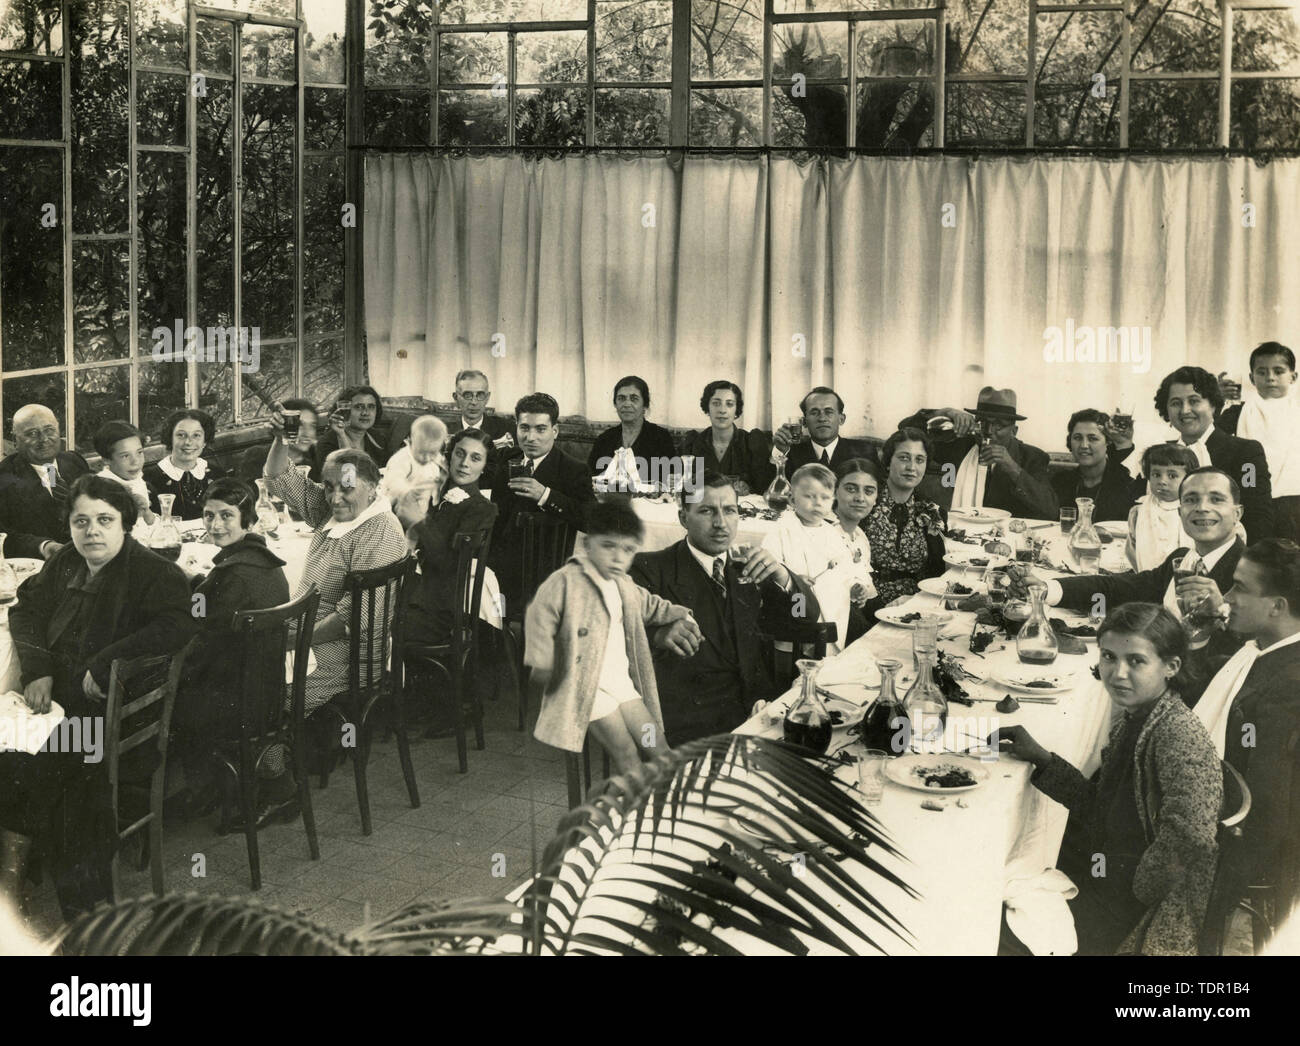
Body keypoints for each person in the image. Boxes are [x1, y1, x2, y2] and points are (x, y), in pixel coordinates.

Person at [0, 475, 193, 917]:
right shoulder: (68, 560)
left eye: (104, 520)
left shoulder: (153, 573)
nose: (92, 531)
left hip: (108, 717)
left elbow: (176, 627)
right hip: (58, 703)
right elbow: (25, 608)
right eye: (80, 521)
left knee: (36, 764)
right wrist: (38, 670)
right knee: (12, 755)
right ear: (68, 526)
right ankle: (22, 880)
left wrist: (105, 660)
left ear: (125, 522)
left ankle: (78, 905)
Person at [992, 603, 1221, 955]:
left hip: (1136, 907)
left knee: (993, 930)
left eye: (1136, 661)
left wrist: (1136, 888)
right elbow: (1103, 806)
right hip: (1104, 872)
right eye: (1110, 657)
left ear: (1171, 666)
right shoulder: (1139, 717)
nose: (1117, 673)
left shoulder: (1178, 733)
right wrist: (1043, 759)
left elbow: (1193, 837)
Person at [1007, 466, 1248, 704]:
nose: (1202, 508)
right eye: (1191, 499)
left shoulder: (1251, 573)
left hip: (1201, 702)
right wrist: (1046, 588)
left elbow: (1253, 655)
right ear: (1180, 510)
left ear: (1237, 513)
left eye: (1216, 499)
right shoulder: (1183, 557)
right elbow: (1117, 588)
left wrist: (1222, 613)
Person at [630, 472, 820, 743]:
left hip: (757, 709)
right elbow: (616, 631)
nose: (721, 524)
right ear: (683, 517)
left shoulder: (750, 565)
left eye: (730, 511)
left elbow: (804, 620)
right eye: (706, 511)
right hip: (689, 721)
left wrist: (784, 577)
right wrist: (657, 636)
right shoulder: (651, 569)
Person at [526, 499, 695, 774]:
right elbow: (540, 615)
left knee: (656, 744)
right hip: (585, 687)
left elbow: (651, 604)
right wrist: (543, 660)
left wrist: (682, 615)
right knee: (626, 752)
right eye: (608, 546)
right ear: (587, 544)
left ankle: (666, 806)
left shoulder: (623, 584)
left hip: (620, 684)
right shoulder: (567, 582)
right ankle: (637, 812)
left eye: (627, 550)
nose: (618, 558)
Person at [263, 430, 408, 723]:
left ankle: (275, 758)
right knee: (248, 664)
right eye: (328, 487)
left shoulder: (379, 531)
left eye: (346, 487)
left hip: (352, 655)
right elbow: (280, 478)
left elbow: (353, 619)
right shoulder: (336, 511)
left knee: (261, 683)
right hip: (313, 635)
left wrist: (292, 641)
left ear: (372, 486)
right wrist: (281, 439)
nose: (335, 498)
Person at [1194, 539, 1300, 933]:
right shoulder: (1262, 650)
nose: (1226, 598)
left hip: (1242, 841)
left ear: (1277, 607)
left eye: (1239, 587)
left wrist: (1208, 886)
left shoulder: (1288, 690)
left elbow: (1266, 812)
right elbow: (1206, 687)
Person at [170, 478, 291, 823]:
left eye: (226, 516)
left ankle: (198, 789)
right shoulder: (261, 560)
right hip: (264, 691)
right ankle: (208, 785)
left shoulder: (233, 575)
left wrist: (179, 586)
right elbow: (212, 603)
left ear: (247, 521)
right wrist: (195, 580)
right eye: (208, 516)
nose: (215, 525)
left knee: (162, 700)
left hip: (238, 701)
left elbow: (197, 623)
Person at [395, 427, 499, 733]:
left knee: (376, 625)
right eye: (460, 453)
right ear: (449, 455)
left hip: (443, 609)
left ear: (484, 466)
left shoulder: (481, 508)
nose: (465, 463)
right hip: (418, 593)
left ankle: (435, 705)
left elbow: (445, 562)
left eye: (475, 458)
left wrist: (419, 520)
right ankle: (412, 698)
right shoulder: (436, 492)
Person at [490, 392, 596, 607]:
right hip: (498, 562)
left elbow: (591, 519)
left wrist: (545, 495)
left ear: (554, 431)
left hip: (543, 569)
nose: (531, 438)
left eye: (540, 429)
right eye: (524, 428)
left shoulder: (573, 469)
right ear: (516, 427)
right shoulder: (507, 459)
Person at [1149, 365, 1273, 542]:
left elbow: (1258, 518)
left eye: (1194, 401)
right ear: (1166, 410)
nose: (1185, 410)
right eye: (1176, 403)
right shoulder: (1160, 455)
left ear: (1213, 405)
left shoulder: (1246, 455)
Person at [899, 387, 1057, 519]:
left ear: (1014, 431)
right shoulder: (958, 445)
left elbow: (1051, 510)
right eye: (983, 422)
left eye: (999, 425)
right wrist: (945, 412)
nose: (988, 431)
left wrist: (1012, 467)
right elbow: (906, 430)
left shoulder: (1032, 457)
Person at [762, 463, 868, 656]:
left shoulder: (834, 533)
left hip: (831, 607)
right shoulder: (781, 531)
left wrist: (855, 586)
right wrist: (793, 579)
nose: (818, 502)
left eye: (825, 497)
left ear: (833, 500)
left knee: (827, 653)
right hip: (795, 603)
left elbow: (845, 570)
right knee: (799, 642)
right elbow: (769, 564)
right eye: (809, 496)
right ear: (792, 499)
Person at [1219, 342, 1300, 543]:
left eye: (1278, 371)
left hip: (1295, 501)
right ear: (1251, 378)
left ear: (1293, 377)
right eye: (1262, 372)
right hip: (1254, 497)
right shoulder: (1237, 412)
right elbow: (1215, 439)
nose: (1270, 377)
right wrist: (1218, 400)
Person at [863, 428, 948, 606]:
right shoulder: (864, 502)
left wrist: (918, 602)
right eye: (903, 458)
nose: (911, 467)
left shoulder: (932, 512)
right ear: (887, 461)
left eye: (919, 460)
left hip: (916, 604)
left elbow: (937, 571)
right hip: (866, 602)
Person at [0, 404, 91, 560]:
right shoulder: (4, 477)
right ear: (15, 440)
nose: (44, 439)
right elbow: (3, 536)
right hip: (44, 568)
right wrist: (43, 546)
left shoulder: (74, 461)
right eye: (32, 434)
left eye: (49, 430)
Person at [677, 380, 775, 495]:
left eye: (729, 404)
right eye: (716, 403)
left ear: (736, 410)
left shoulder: (751, 442)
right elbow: (681, 485)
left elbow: (765, 487)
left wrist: (749, 488)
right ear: (707, 407)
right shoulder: (692, 443)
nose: (722, 410)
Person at [587, 375, 678, 488]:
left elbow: (670, 479)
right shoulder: (605, 439)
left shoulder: (660, 437)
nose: (627, 404)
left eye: (634, 399)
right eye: (621, 398)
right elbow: (589, 476)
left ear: (645, 405)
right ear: (615, 404)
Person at [1051, 408, 1136, 523]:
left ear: (1108, 442)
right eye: (1077, 438)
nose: (1084, 445)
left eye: (1093, 438)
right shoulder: (1059, 482)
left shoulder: (1126, 485)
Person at [1125, 444, 1200, 571]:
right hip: (1147, 578)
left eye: (1172, 476)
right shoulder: (1139, 512)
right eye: (1156, 474)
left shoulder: (1196, 511)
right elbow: (1132, 550)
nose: (1162, 481)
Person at [143, 408, 225, 521]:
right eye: (181, 435)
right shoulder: (148, 479)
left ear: (205, 441)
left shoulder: (218, 475)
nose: (188, 442)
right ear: (170, 438)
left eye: (196, 435)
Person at [833, 458, 882, 640]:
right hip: (833, 626)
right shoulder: (824, 533)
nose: (860, 498)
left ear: (876, 499)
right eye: (851, 489)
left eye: (869, 491)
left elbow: (869, 599)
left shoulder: (860, 537)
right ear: (834, 491)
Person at [773, 386, 871, 476]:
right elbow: (767, 488)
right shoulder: (790, 452)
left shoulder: (864, 451)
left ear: (841, 419)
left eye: (829, 412)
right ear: (804, 422)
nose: (822, 418)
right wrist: (780, 450)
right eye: (814, 413)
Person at [92, 420, 157, 535]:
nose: (135, 461)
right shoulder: (100, 488)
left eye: (139, 452)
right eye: (125, 456)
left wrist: (146, 512)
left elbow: (150, 525)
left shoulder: (137, 480)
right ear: (106, 459)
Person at [238, 397, 319, 483]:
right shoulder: (256, 456)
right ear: (282, 423)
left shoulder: (313, 466)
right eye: (299, 425)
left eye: (312, 426)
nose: (307, 433)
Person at [313, 384, 391, 472]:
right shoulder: (327, 443)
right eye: (358, 407)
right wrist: (341, 435)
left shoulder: (378, 438)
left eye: (371, 407)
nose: (365, 412)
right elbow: (345, 479)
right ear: (344, 409)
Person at [379, 414, 448, 513]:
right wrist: (408, 491)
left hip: (420, 503)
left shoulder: (432, 459)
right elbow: (393, 480)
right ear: (410, 442)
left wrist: (440, 479)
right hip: (395, 502)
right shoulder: (402, 458)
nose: (426, 457)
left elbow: (442, 468)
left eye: (432, 453)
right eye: (421, 452)